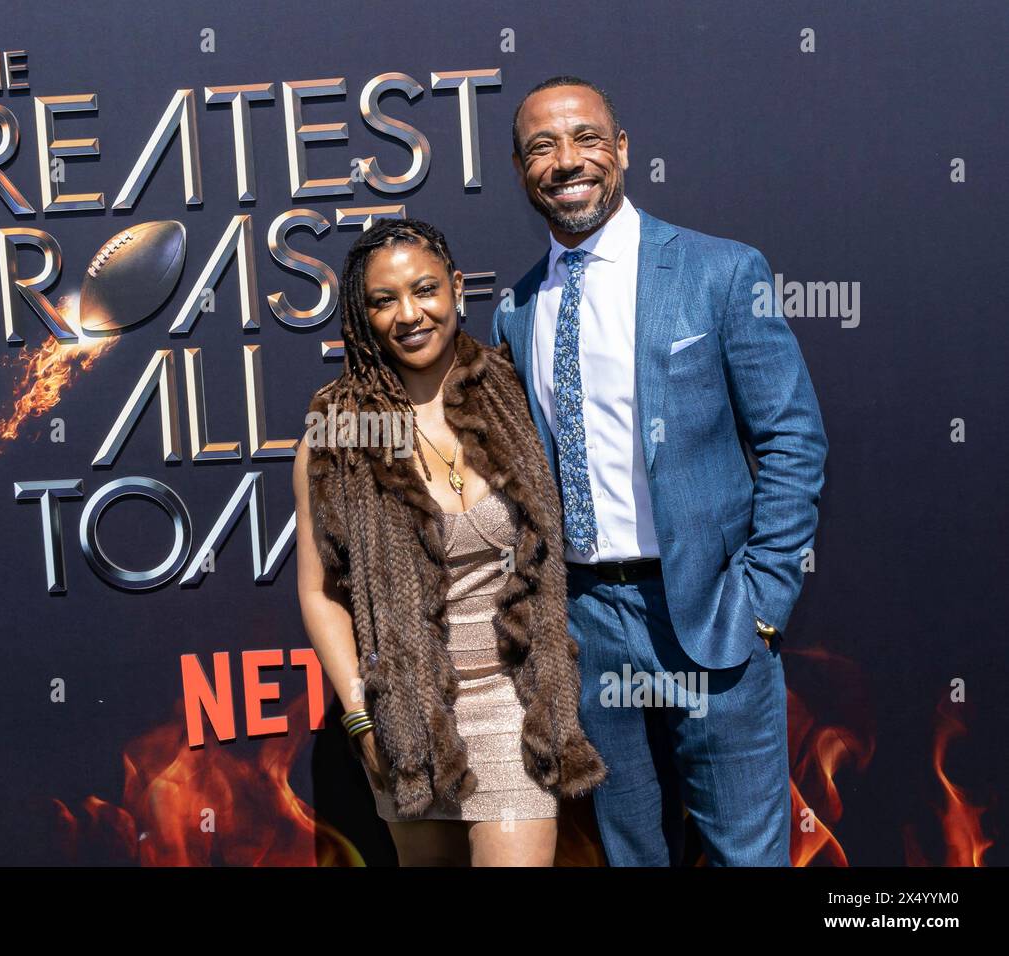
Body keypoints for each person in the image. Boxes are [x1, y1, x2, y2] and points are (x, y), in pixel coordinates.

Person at [490, 75, 828, 866]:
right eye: (541, 146)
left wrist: (763, 600)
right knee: (631, 854)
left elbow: (792, 438)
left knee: (745, 854)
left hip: (710, 614)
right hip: (586, 627)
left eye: (585, 138)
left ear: (624, 152)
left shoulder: (719, 272)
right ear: (519, 169)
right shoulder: (518, 305)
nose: (566, 160)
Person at [293, 218, 606, 866]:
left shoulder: (513, 397)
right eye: (384, 300)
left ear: (456, 287)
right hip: (408, 717)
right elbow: (320, 592)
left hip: (516, 703)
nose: (409, 314)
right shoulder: (338, 435)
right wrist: (362, 719)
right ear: (363, 313)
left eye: (425, 289)